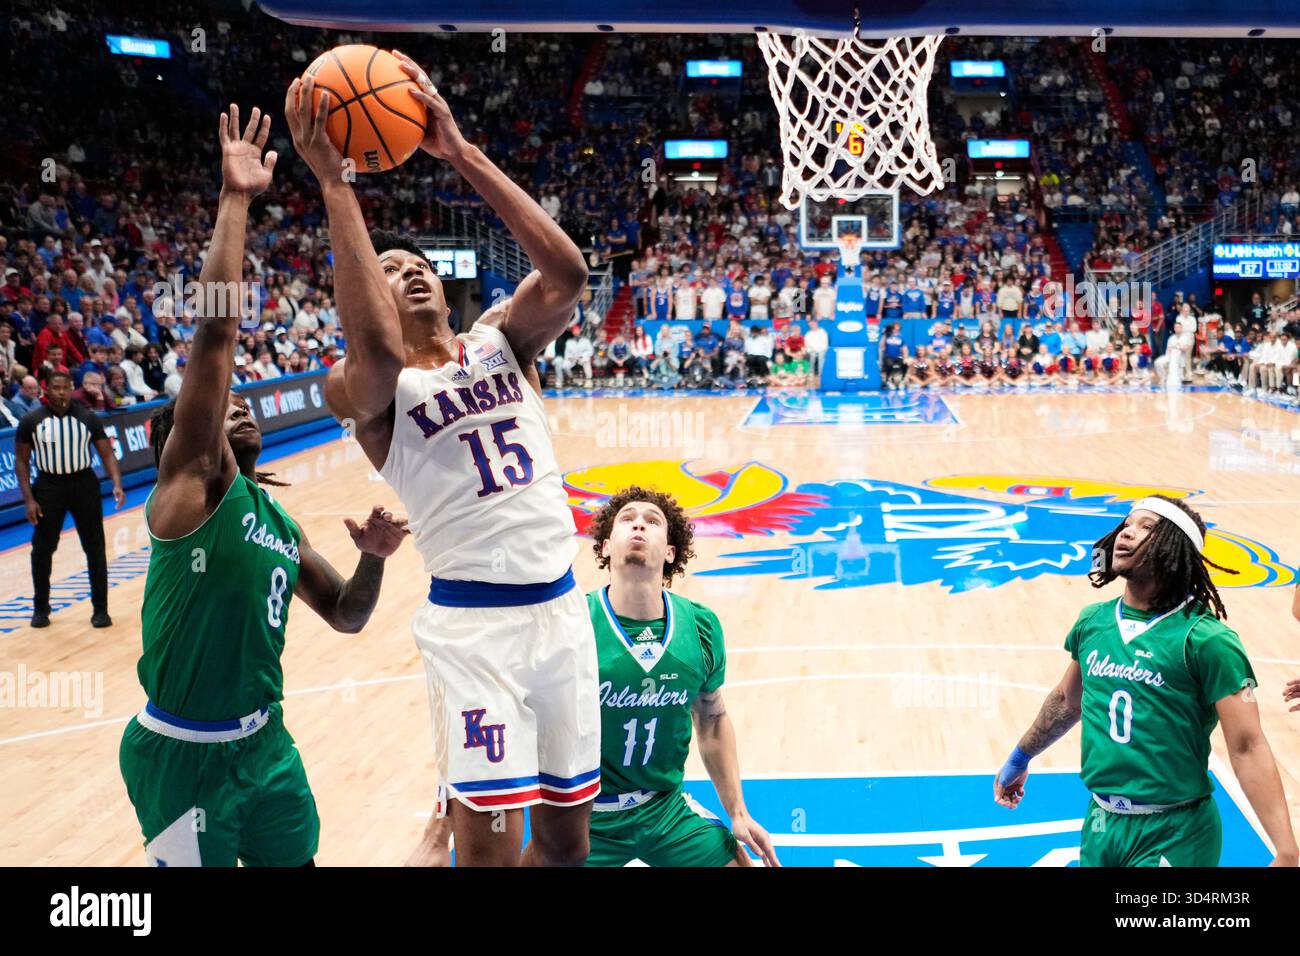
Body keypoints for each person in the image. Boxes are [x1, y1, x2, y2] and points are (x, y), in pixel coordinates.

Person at [291, 61, 601, 866]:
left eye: (418, 263)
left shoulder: (504, 341)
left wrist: (461, 153)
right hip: (476, 635)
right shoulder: (363, 391)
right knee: (489, 853)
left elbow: (568, 275)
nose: (412, 270)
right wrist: (337, 186)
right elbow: (374, 349)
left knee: (568, 846)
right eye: (389, 270)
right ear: (367, 295)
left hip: (564, 616)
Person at [119, 104, 408, 868]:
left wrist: (375, 556)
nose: (237, 402)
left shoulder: (276, 522)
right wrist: (236, 199)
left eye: (244, 400)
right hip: (181, 757)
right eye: (221, 405)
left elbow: (347, 616)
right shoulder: (190, 490)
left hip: (267, 745)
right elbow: (216, 334)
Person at [994, 495, 1298, 867]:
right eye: (1127, 524)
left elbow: (1247, 745)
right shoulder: (1093, 622)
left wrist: (1286, 850)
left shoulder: (1207, 639)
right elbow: (1066, 702)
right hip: (1102, 821)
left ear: (1173, 548)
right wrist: (1020, 756)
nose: (1126, 533)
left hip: (1176, 831)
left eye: (1146, 528)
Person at [15, 370, 125, 628]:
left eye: (66, 387)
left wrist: (117, 484)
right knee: (42, 549)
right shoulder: (32, 420)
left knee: (95, 548)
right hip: (48, 487)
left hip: (83, 484)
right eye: (56, 387)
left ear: (71, 388)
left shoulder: (87, 418)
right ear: (47, 390)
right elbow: (21, 461)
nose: (61, 392)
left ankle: (101, 609)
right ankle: (40, 607)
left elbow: (107, 453)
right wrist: (29, 499)